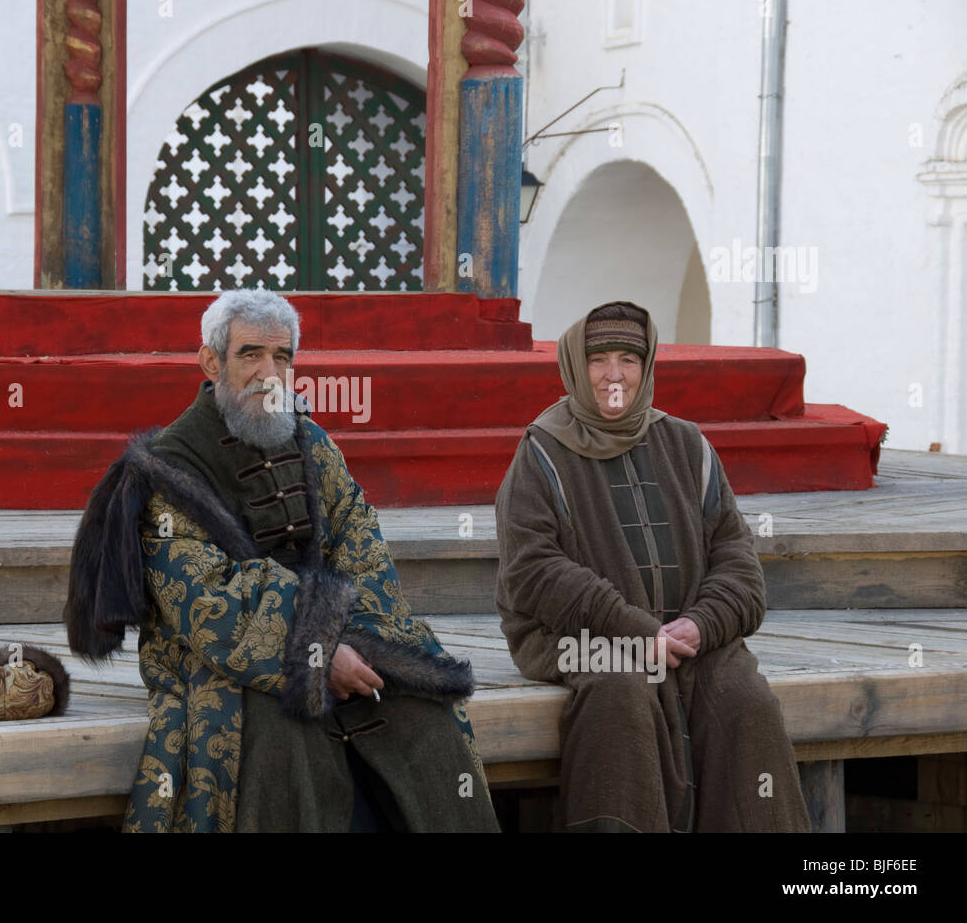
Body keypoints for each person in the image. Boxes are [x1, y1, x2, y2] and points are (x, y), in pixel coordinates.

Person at [66, 288, 500, 833]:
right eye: (250, 354)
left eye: (283, 356)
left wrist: (346, 643)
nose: (269, 372)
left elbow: (364, 550)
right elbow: (206, 603)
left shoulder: (314, 444)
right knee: (283, 733)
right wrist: (317, 653)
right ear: (210, 361)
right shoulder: (168, 470)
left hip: (342, 636)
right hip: (220, 657)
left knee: (424, 711)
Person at [493, 300, 810, 832]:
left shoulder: (687, 444)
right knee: (620, 695)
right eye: (598, 360)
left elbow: (738, 563)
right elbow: (534, 571)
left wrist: (700, 624)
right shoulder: (542, 451)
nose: (614, 375)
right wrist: (639, 633)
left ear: (647, 367)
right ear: (574, 363)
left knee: (744, 702)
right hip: (584, 639)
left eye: (628, 359)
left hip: (690, 640)